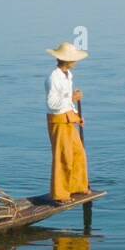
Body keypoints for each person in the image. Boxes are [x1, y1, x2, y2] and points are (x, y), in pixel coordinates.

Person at [44, 42, 90, 201]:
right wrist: (72, 97)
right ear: (68, 61)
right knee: (63, 157)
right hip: (58, 121)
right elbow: (52, 104)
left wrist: (77, 116)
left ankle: (77, 187)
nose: (76, 62)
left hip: (68, 119)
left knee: (78, 153)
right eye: (74, 59)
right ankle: (60, 194)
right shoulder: (53, 78)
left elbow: (67, 103)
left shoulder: (68, 75)